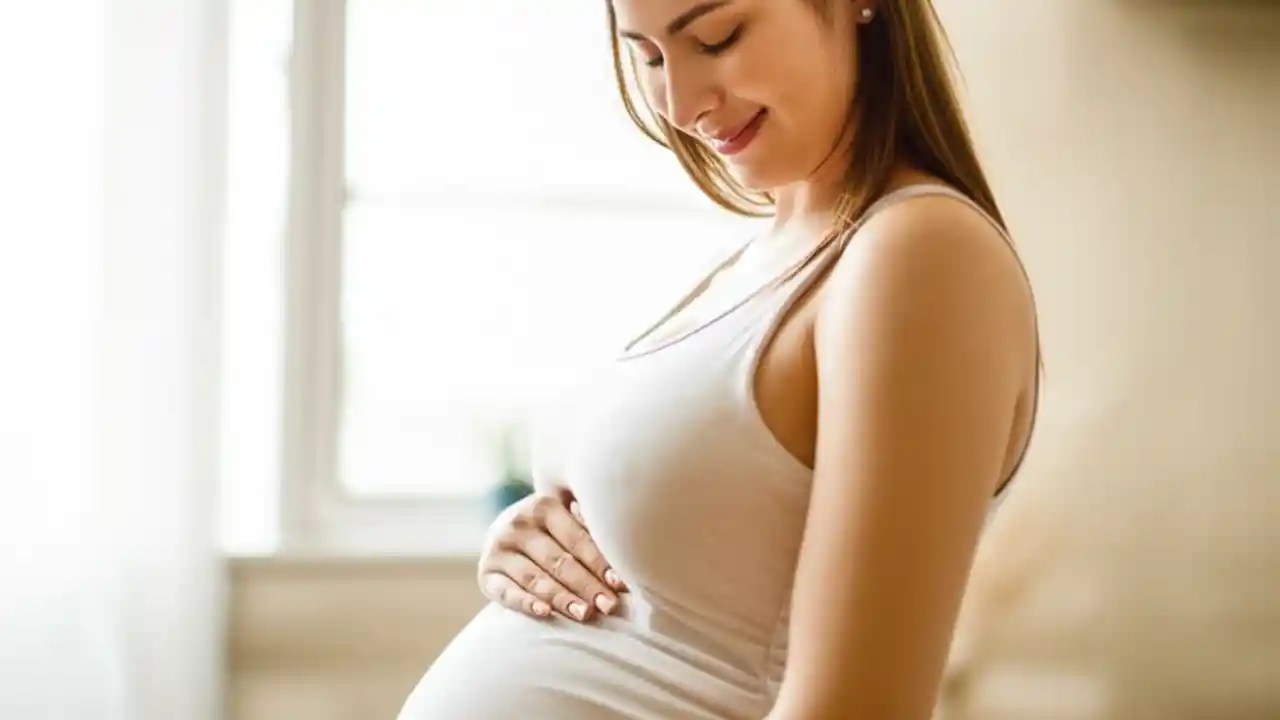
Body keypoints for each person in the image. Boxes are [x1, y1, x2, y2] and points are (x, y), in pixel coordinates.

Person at [398, 0, 1042, 717]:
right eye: (647, 56)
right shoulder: (763, 254)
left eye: (716, 38)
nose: (680, 105)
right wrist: (532, 543)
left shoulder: (921, 254)